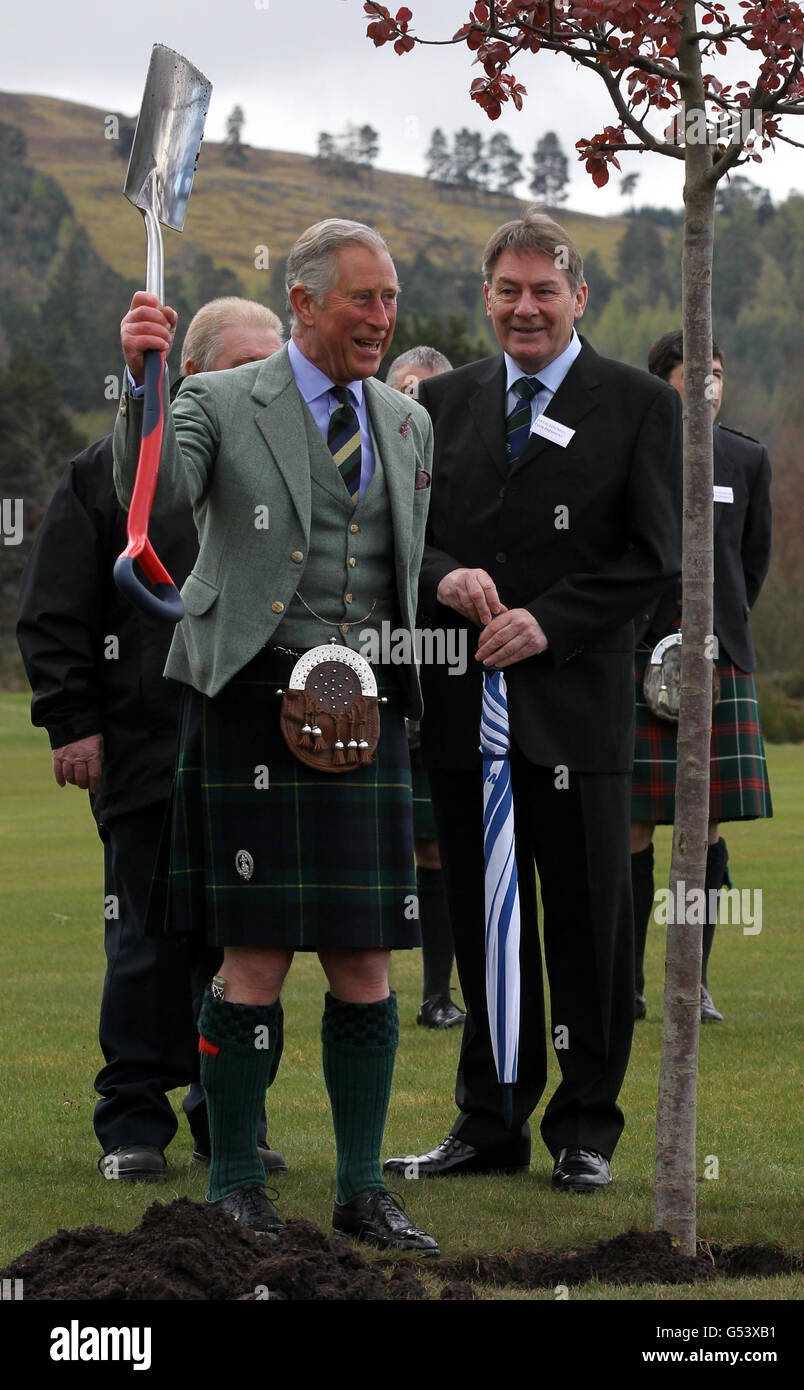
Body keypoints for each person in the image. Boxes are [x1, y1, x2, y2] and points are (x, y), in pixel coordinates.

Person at [113, 219, 439, 1251]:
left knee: (364, 958)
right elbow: (156, 495)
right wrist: (142, 386)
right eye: (360, 300)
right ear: (302, 303)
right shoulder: (215, 399)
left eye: (388, 300)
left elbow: (397, 557)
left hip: (363, 708)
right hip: (250, 698)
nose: (380, 320)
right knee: (251, 958)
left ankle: (358, 1190)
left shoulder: (403, 420)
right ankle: (237, 1183)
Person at [384, 210, 682, 1192]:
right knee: (483, 922)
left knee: (586, 925)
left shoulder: (638, 404)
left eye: (542, 291)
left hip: (575, 713)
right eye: (506, 291)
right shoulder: (442, 404)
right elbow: (403, 535)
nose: (523, 307)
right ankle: (489, 1122)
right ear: (485, 296)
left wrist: (550, 619)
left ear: (577, 296)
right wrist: (442, 577)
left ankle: (585, 1128)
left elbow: (653, 556)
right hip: (467, 716)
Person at [17, 298, 286, 1182]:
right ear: (189, 376)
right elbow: (55, 611)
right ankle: (133, 1121)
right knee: (144, 945)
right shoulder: (108, 476)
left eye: (270, 368)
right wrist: (71, 722)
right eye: (240, 367)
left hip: (258, 761)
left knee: (245, 949)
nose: (260, 385)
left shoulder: (288, 485)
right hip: (144, 757)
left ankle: (230, 1120)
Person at [631, 330, 773, 1023]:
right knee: (631, 825)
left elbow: (751, 564)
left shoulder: (746, 458)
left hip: (717, 660)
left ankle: (692, 982)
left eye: (718, 373)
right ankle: (624, 981)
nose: (709, 386)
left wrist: (716, 633)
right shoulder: (630, 448)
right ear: (665, 380)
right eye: (697, 373)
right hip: (635, 654)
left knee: (703, 829)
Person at [385, 346, 464, 1029]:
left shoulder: (466, 480)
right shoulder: (359, 463)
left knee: (438, 844)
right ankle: (363, 989)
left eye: (428, 396)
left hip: (447, 677)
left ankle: (437, 993)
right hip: (369, 673)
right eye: (405, 393)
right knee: (364, 841)